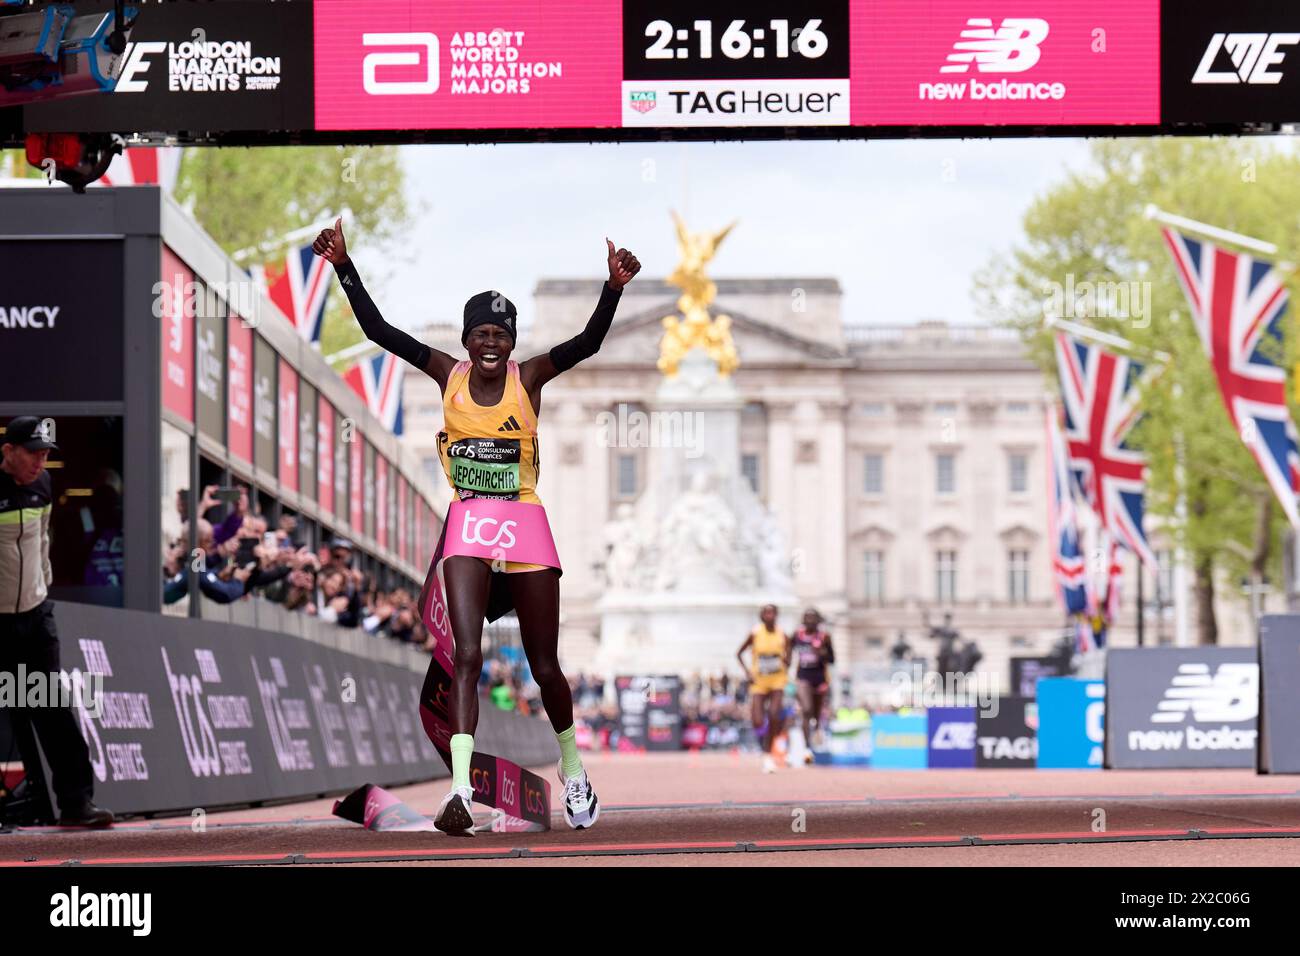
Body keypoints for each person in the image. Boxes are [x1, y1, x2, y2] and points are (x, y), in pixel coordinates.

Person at [314, 216, 639, 832]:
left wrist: (612, 289)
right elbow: (379, 331)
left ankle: (574, 770)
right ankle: (460, 789)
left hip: (523, 522)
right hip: (468, 522)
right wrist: (344, 268)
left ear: (511, 343)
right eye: (481, 334)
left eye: (500, 335)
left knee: (545, 665)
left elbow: (588, 343)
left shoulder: (531, 376)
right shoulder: (447, 374)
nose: (490, 343)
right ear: (466, 342)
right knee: (467, 654)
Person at [0, 416, 113, 827]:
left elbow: (43, 539)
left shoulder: (44, 486)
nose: (40, 462)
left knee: (50, 705)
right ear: (8, 451)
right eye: (33, 453)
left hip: (35, 615)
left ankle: (76, 803)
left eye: (46, 454)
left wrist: (42, 590)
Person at [736, 604, 789, 774]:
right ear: (761, 616)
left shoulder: (782, 634)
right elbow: (739, 653)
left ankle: (768, 752)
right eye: (766, 613)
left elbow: (789, 652)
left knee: (774, 714)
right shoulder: (755, 633)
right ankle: (766, 740)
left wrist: (787, 662)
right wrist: (747, 673)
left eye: (773, 612)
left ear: (777, 615)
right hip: (759, 681)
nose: (770, 616)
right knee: (758, 720)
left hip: (777, 680)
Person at [791, 607, 835, 762]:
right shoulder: (797, 635)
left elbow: (831, 659)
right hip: (803, 676)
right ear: (803, 620)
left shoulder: (824, 636)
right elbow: (788, 652)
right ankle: (806, 748)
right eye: (807, 617)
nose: (810, 620)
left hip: (820, 677)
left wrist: (821, 652)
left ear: (818, 620)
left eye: (813, 617)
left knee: (815, 714)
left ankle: (816, 730)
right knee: (806, 709)